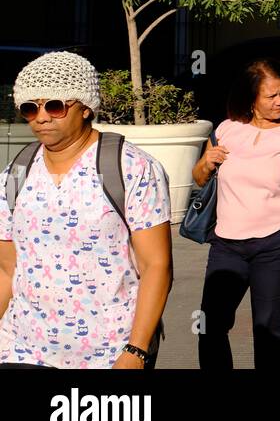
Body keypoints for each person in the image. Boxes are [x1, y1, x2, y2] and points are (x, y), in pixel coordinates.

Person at [0, 52, 171, 369]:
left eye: (54, 105)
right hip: (22, 349)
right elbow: (7, 270)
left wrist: (136, 351)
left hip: (108, 352)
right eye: (29, 108)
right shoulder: (16, 173)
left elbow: (156, 265)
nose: (42, 117)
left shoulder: (131, 167)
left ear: (86, 107)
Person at [194, 59, 280, 369]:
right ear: (251, 97)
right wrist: (207, 161)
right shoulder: (226, 130)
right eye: (271, 96)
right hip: (227, 245)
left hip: (277, 243)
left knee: (268, 331)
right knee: (211, 326)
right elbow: (198, 180)